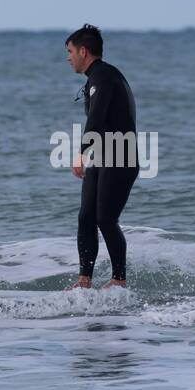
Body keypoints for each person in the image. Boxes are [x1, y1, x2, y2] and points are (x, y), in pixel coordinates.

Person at [63, 24, 138, 290]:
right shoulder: (98, 78)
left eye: (70, 51)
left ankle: (119, 279)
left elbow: (96, 117)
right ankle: (84, 280)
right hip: (106, 155)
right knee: (86, 216)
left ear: (84, 51)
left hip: (121, 156)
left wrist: (81, 152)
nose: (68, 57)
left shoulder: (104, 76)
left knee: (106, 218)